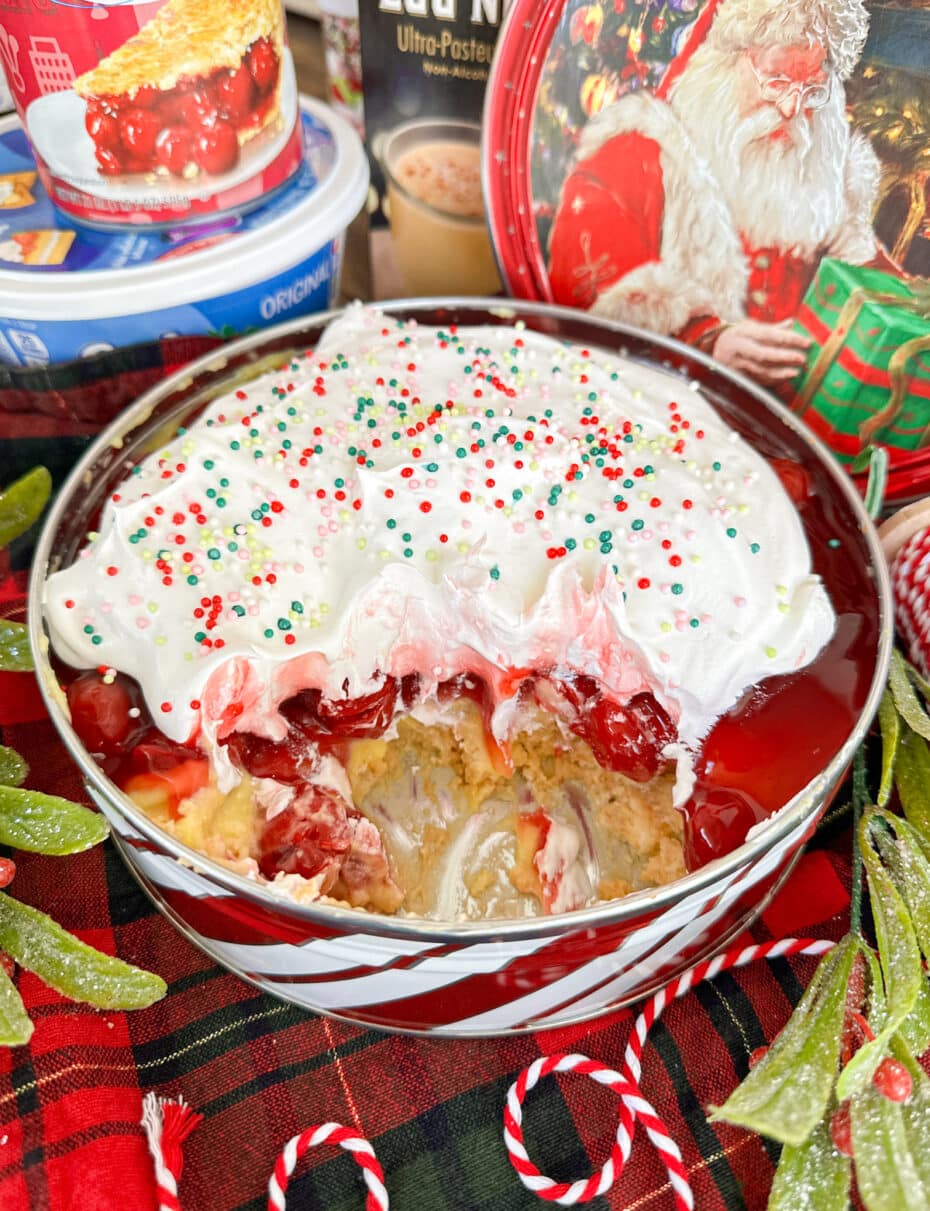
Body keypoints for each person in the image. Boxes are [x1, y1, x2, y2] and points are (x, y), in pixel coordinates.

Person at [547, 0, 894, 387]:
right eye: (776, 81)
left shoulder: (824, 183)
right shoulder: (631, 163)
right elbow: (585, 325)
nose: (791, 108)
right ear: (721, 67)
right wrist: (704, 345)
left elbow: (880, 287)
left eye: (811, 90)